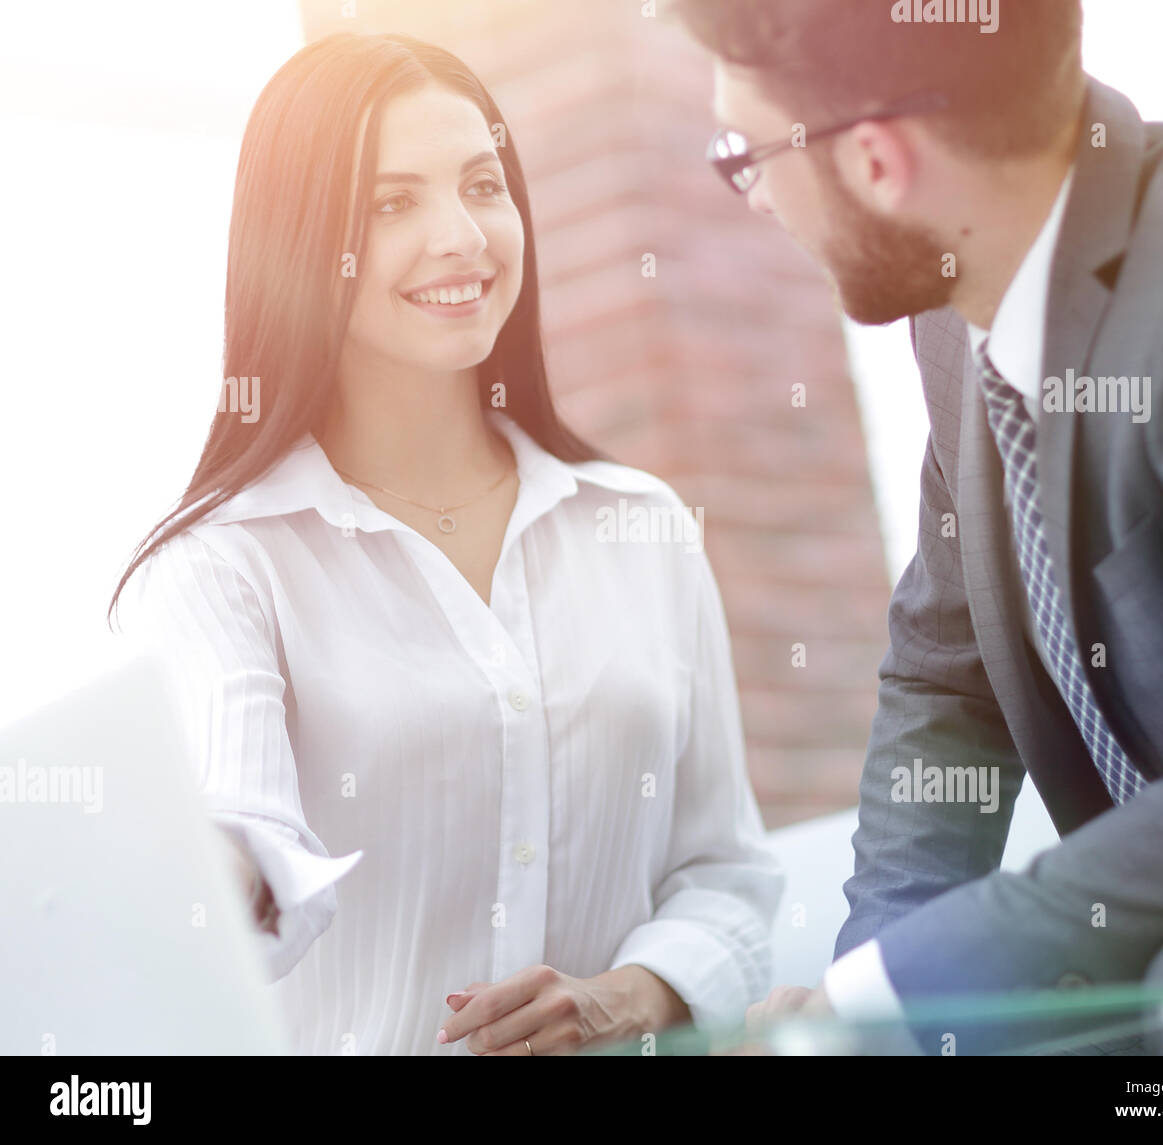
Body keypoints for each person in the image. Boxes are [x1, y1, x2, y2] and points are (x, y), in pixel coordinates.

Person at [111, 31, 782, 1057]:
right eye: (392, 203)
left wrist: (624, 995)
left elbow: (726, 873)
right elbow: (243, 827)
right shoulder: (221, 567)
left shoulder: (638, 526)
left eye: (483, 184)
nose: (462, 234)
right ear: (299, 242)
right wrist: (212, 869)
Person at [673, 0, 1163, 1052]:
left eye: (744, 152)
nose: (757, 202)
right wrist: (875, 985)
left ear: (875, 163)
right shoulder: (959, 309)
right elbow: (946, 676)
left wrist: (888, 994)